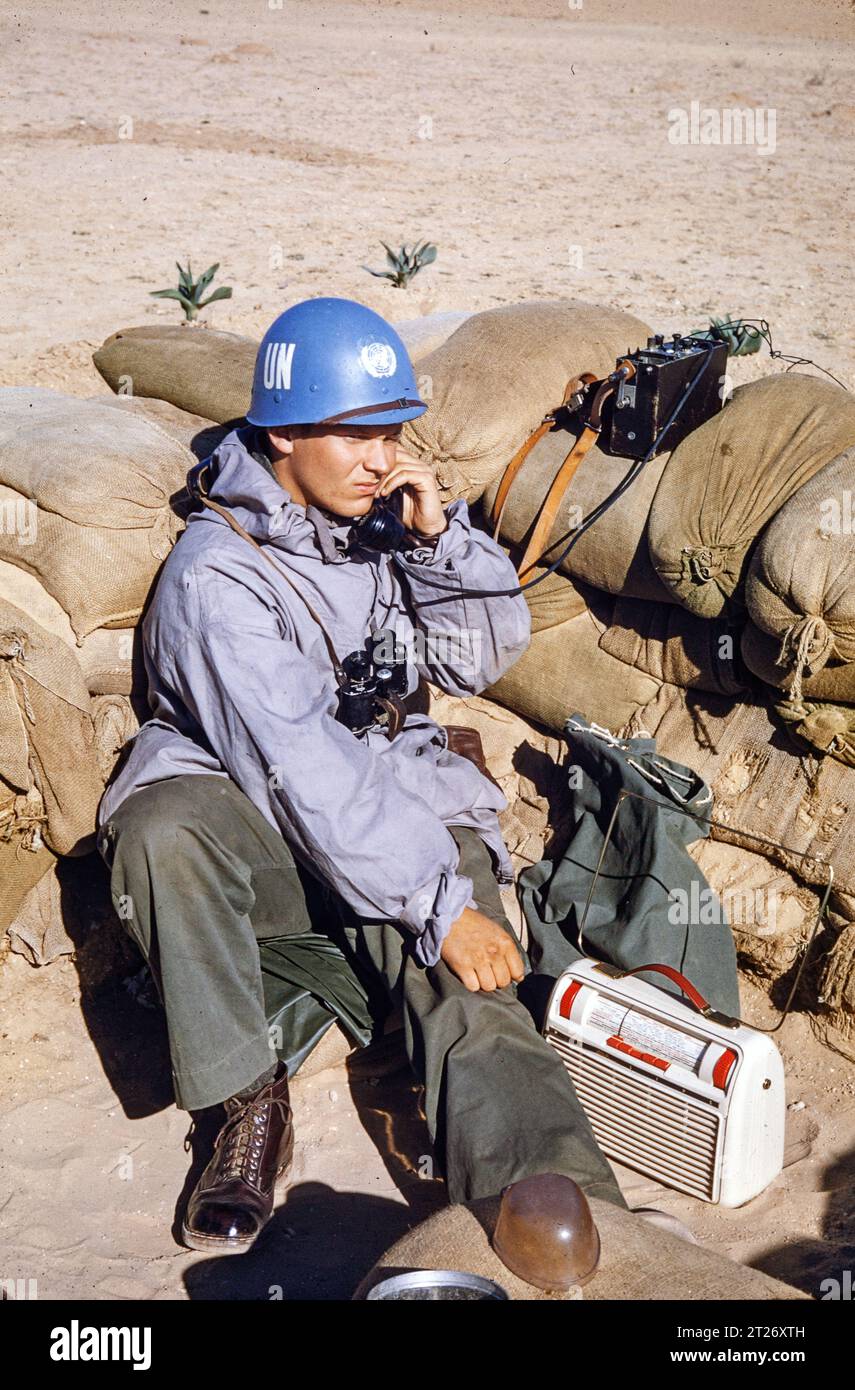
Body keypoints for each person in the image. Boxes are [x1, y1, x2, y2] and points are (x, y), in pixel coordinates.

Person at [97, 296, 627, 1255]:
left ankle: (560, 1208)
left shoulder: (378, 523)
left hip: (394, 798)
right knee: (161, 823)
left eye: (391, 432)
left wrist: (439, 545)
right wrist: (436, 902)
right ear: (283, 434)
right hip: (271, 827)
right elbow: (298, 769)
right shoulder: (218, 580)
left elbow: (480, 656)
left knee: (475, 997)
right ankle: (240, 1100)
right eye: (354, 435)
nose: (384, 458)